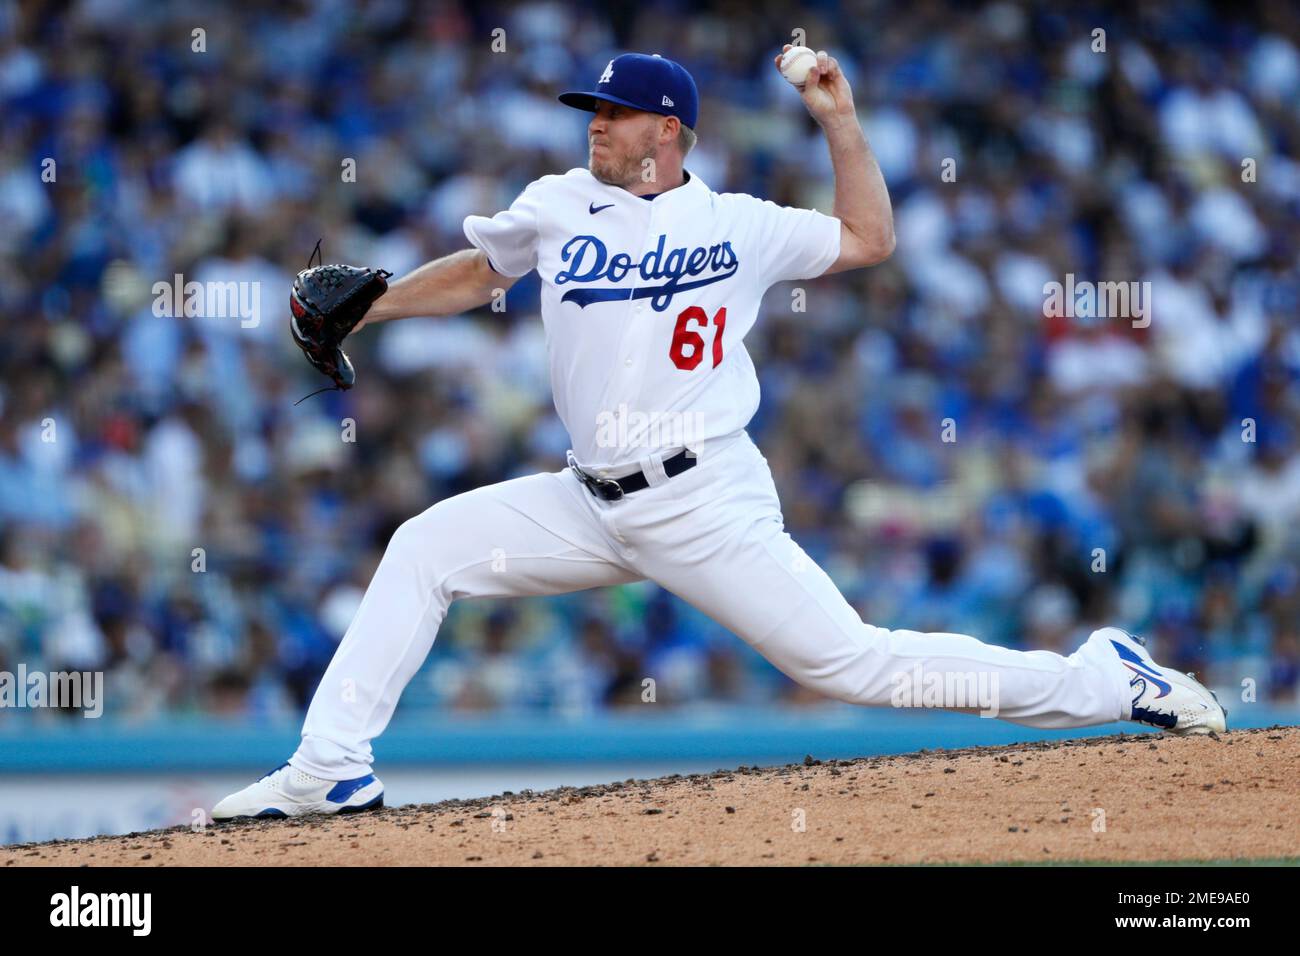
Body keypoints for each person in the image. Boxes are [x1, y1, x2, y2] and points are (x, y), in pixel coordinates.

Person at [213, 49, 1224, 821]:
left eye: (609, 113)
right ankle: (327, 769)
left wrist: (840, 120)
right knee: (424, 547)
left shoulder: (740, 224)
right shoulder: (559, 203)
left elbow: (870, 237)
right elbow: (481, 275)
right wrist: (372, 307)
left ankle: (1105, 676)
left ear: (668, 129)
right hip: (586, 497)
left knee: (856, 664)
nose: (593, 126)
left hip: (703, 498)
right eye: (592, 111)